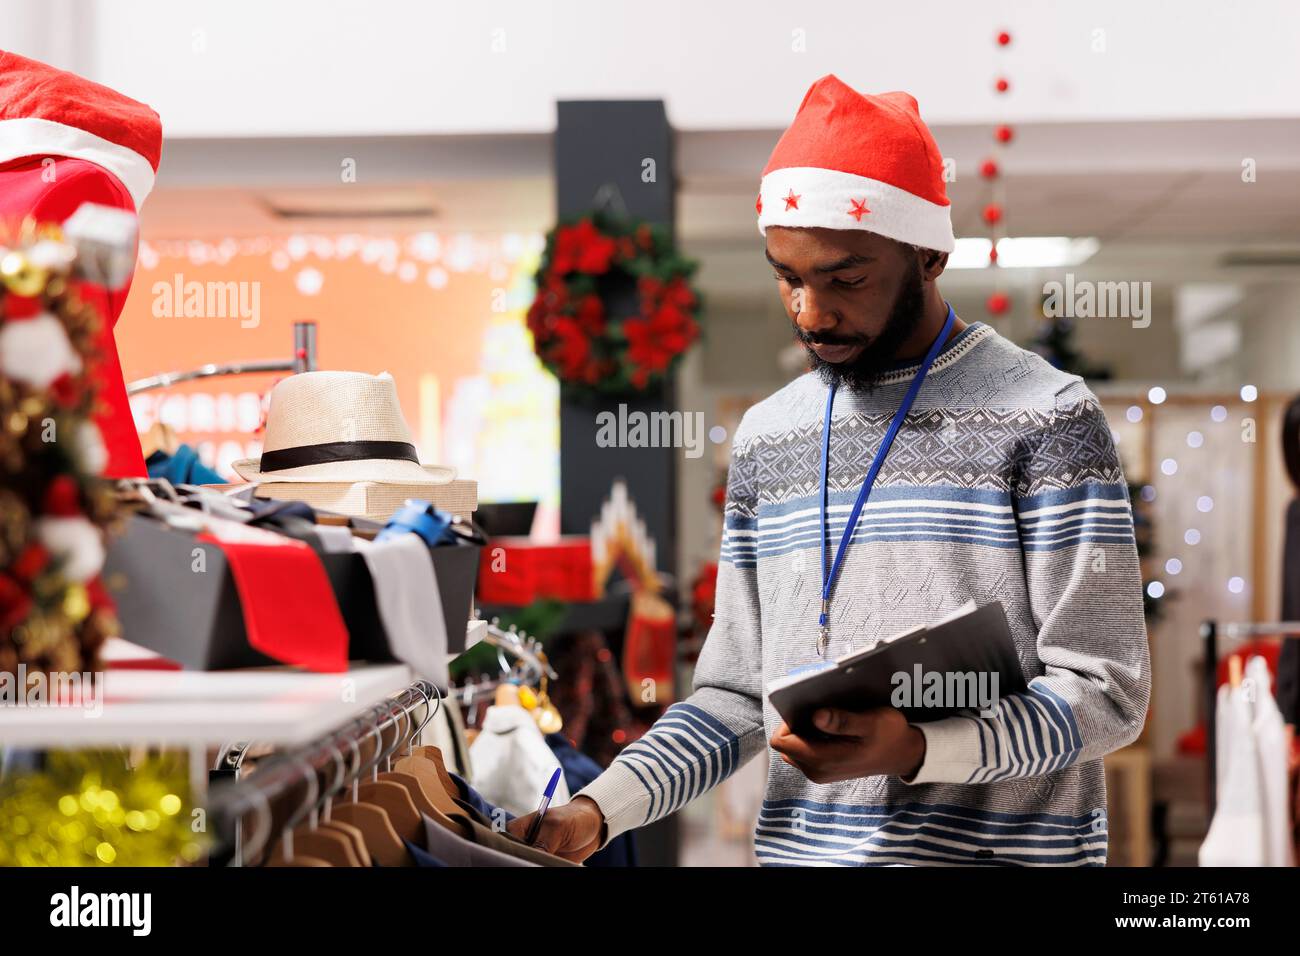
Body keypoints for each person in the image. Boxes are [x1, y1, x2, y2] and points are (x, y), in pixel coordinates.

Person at [508, 75, 1151, 866]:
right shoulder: (769, 434)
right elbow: (738, 694)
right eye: (788, 278)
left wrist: (916, 746)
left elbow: (1109, 693)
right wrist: (597, 810)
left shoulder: (1047, 415)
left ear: (928, 251)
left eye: (845, 278)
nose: (811, 311)